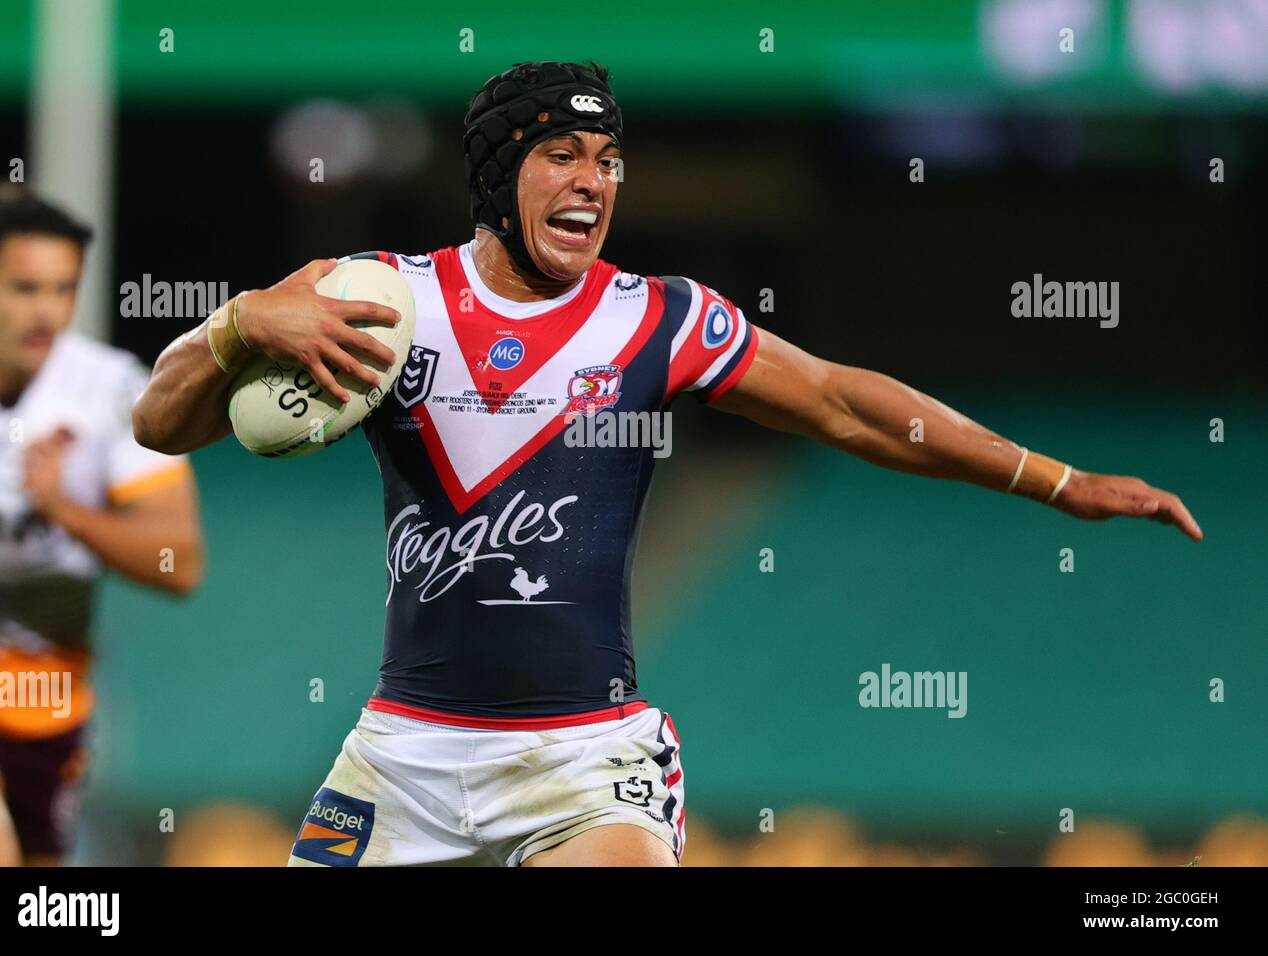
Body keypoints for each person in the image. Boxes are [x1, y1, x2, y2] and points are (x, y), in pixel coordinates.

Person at [131, 61, 1200, 868]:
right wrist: (238, 323)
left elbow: (842, 403)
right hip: (401, 756)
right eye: (562, 156)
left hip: (585, 762)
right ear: (499, 172)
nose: (592, 184)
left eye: (608, 163)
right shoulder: (379, 298)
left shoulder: (661, 318)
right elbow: (159, 422)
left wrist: (1057, 480)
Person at [0, 185, 203, 865]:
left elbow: (178, 561)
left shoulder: (111, 391)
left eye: (63, 290)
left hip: (49, 705)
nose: (47, 312)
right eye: (25, 289)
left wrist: (65, 510)